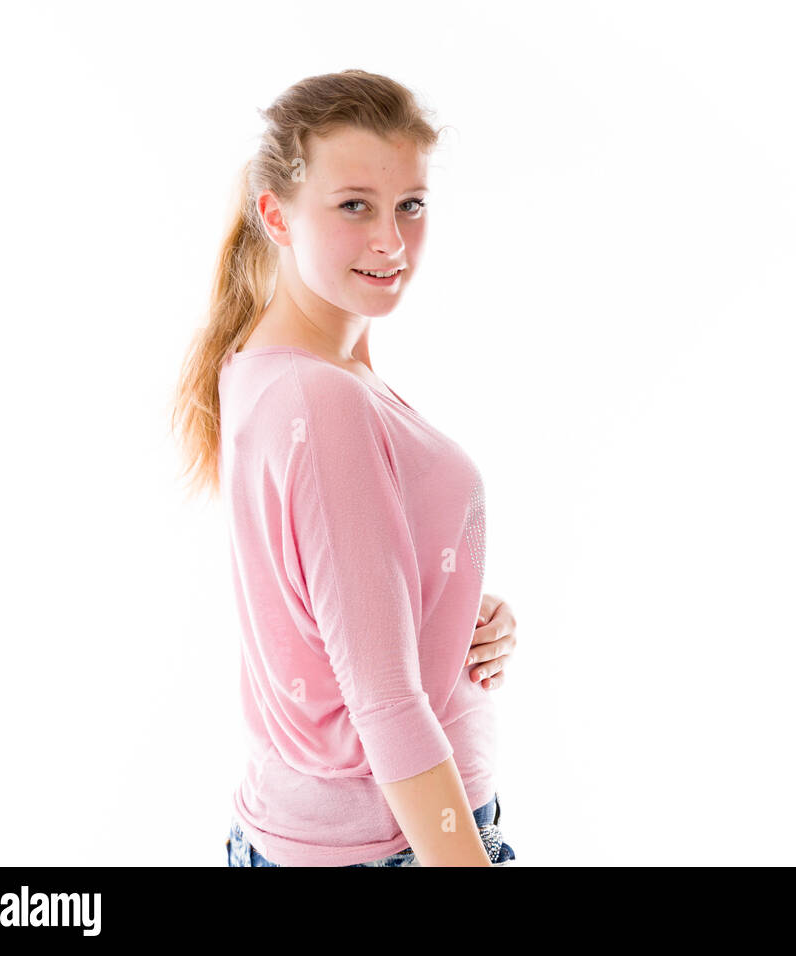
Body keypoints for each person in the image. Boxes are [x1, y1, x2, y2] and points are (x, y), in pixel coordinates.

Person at [171, 69, 517, 867]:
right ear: (276, 214)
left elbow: (323, 614)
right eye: (354, 205)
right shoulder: (322, 399)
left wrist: (449, 606)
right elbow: (386, 705)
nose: (391, 239)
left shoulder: (269, 364)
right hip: (391, 845)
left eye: (411, 205)